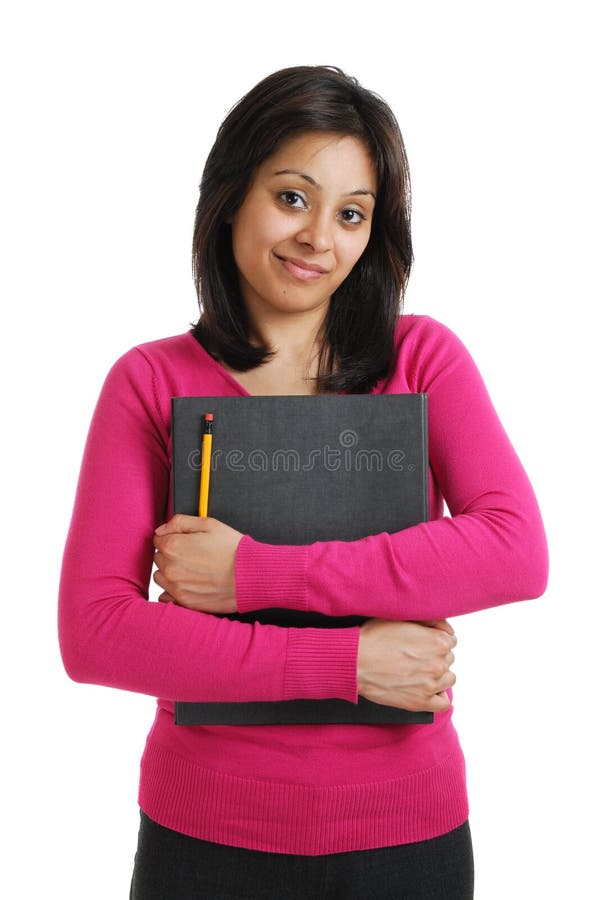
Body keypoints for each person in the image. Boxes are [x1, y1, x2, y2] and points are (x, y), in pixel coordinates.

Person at [58, 65, 548, 899]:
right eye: (293, 197)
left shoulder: (420, 360)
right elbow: (95, 634)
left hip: (409, 837)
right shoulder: (149, 382)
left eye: (351, 214)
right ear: (231, 194)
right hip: (205, 836)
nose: (320, 237)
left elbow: (515, 550)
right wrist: (348, 660)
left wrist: (257, 575)